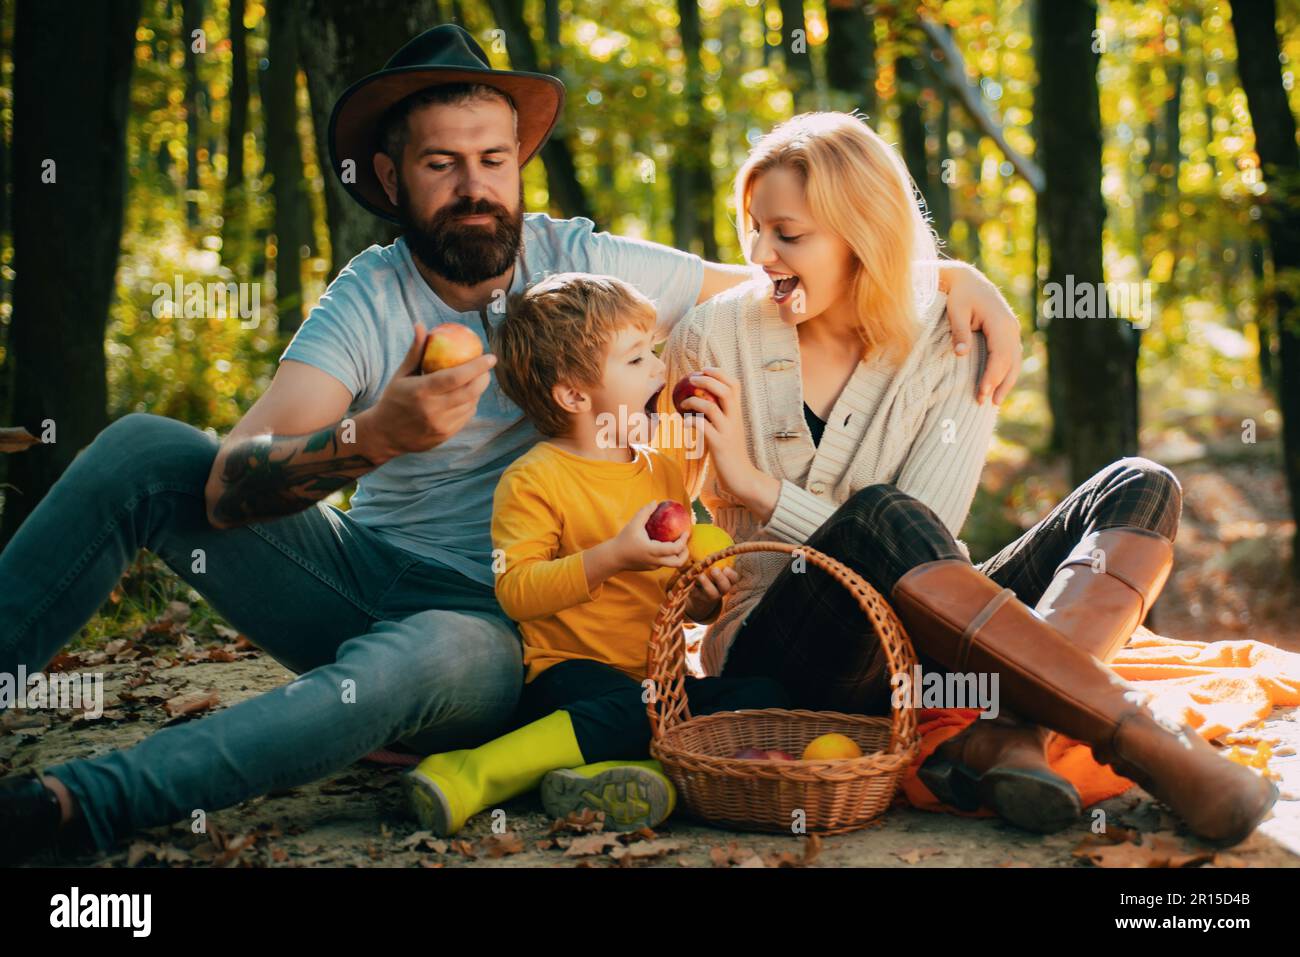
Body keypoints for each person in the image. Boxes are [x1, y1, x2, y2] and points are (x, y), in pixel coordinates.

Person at [0, 25, 1021, 864]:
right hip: (358, 574)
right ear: (392, 177)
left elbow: (785, 271)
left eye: (494, 160)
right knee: (142, 448)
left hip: (504, 627)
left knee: (443, 643)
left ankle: (73, 807)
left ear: (519, 164)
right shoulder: (367, 299)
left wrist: (949, 277)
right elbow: (226, 488)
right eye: (443, 165)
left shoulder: (584, 261)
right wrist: (368, 438)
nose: (475, 186)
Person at [651, 110, 1278, 845]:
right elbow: (664, 523)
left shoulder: (953, 338)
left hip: (922, 641)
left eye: (788, 234)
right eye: (753, 227)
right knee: (882, 514)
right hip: (784, 651)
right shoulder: (708, 339)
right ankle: (1149, 742)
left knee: (1140, 484)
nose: (760, 253)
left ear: (864, 236)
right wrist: (707, 550)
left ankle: (1012, 734)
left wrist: (763, 488)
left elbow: (931, 535)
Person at [403, 273, 789, 836]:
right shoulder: (535, 478)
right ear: (575, 395)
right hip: (569, 679)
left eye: (653, 351)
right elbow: (516, 592)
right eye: (637, 361)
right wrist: (614, 555)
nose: (661, 368)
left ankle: (605, 774)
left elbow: (675, 595)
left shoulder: (661, 466)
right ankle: (472, 772)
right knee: (628, 709)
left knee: (763, 695)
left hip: (658, 680)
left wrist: (702, 596)